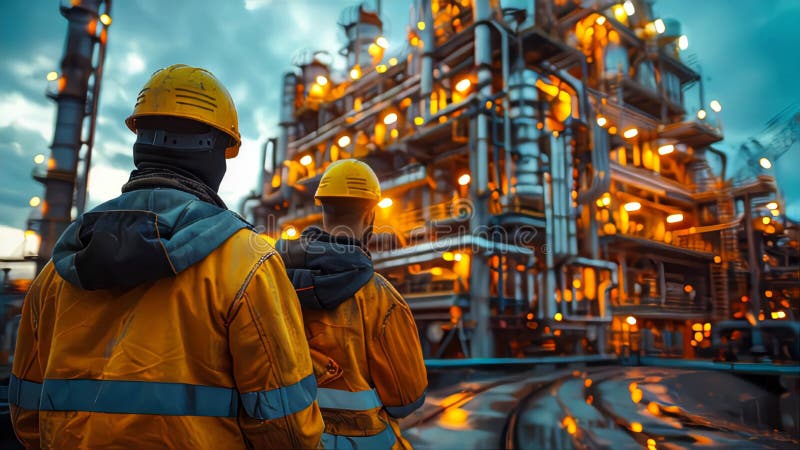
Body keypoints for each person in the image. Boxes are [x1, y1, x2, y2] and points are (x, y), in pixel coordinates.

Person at [9, 64, 323, 449]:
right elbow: (288, 430)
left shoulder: (61, 267)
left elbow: (26, 416)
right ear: (216, 154)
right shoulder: (248, 260)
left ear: (140, 142)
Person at [277, 159, 427, 449]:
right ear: (370, 214)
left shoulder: (272, 281)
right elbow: (407, 400)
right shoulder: (382, 298)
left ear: (322, 210)